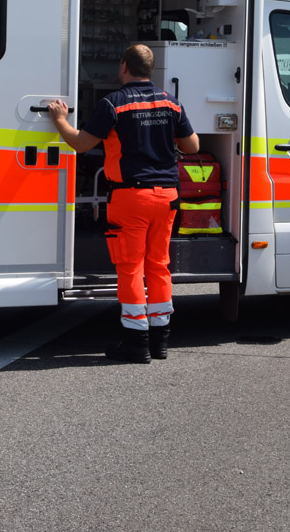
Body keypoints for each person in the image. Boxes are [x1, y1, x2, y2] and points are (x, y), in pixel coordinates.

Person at [46, 44, 199, 363]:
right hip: (167, 195)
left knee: (131, 268)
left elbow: (80, 144)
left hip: (131, 196)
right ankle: (160, 342)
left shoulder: (113, 104)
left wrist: (60, 119)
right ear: (151, 70)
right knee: (159, 266)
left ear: (124, 67)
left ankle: (136, 343)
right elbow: (193, 145)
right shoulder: (171, 103)